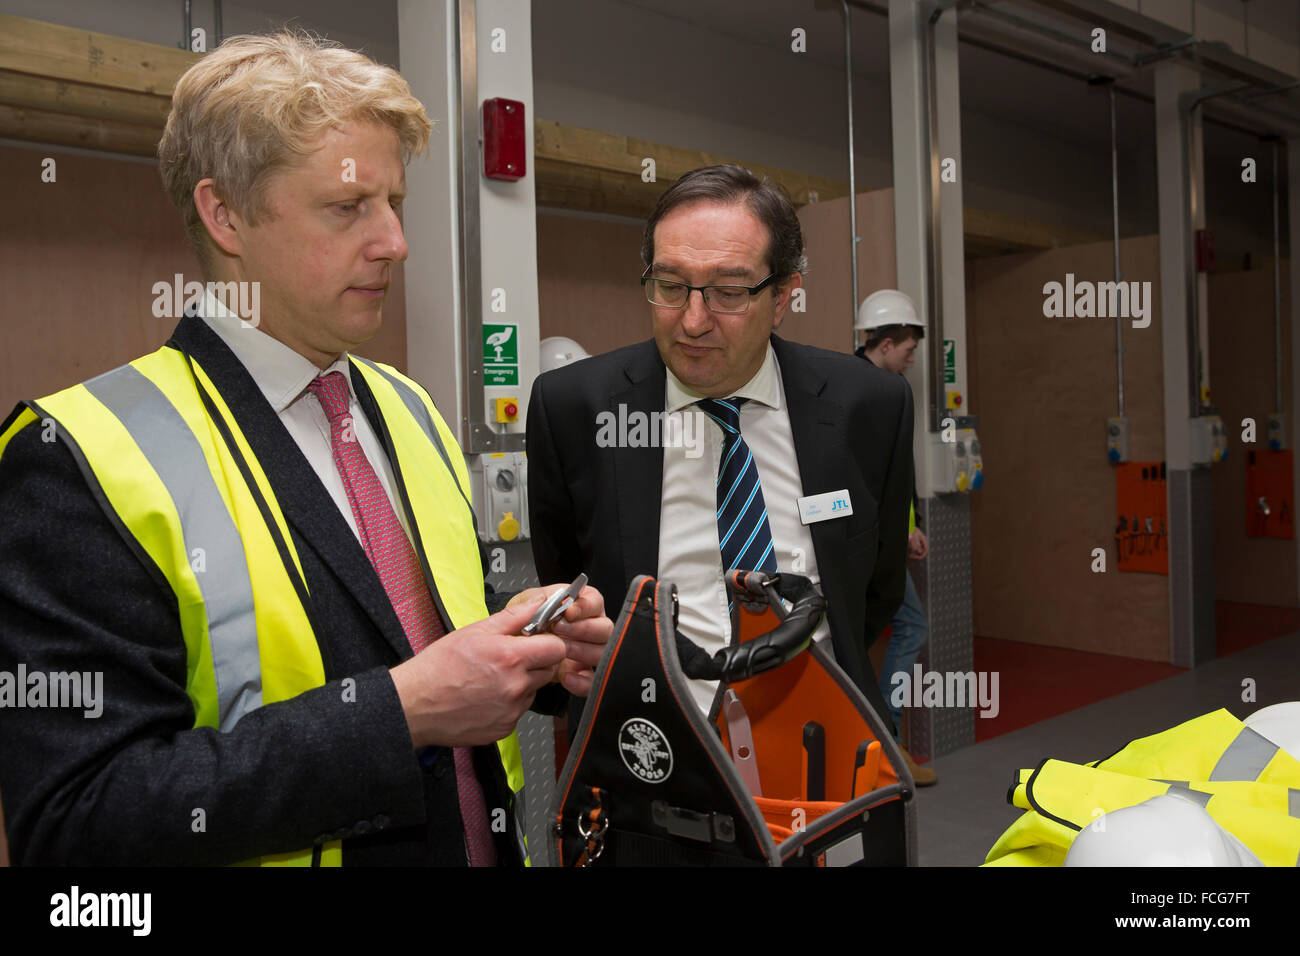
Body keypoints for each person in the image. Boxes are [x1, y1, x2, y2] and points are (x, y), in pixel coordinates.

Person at [0, 31, 612, 866]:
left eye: (395, 203)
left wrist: (525, 649)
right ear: (225, 216)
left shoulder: (407, 406)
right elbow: (80, 819)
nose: (395, 240)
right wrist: (398, 715)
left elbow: (413, 636)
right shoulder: (79, 455)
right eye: (348, 207)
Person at [527, 164, 913, 732]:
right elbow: (565, 578)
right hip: (649, 743)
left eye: (729, 292)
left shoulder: (869, 405)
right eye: (670, 286)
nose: (693, 321)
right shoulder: (574, 407)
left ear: (783, 296)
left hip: (820, 736)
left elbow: (875, 590)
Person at [854, 289, 936, 786]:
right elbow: (863, 478)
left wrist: (912, 522)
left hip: (888, 537)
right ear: (885, 343)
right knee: (893, 629)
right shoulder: (859, 394)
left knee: (897, 627)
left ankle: (881, 742)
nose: (910, 359)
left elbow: (897, 472)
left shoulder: (891, 392)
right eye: (907, 349)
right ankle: (882, 742)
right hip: (864, 544)